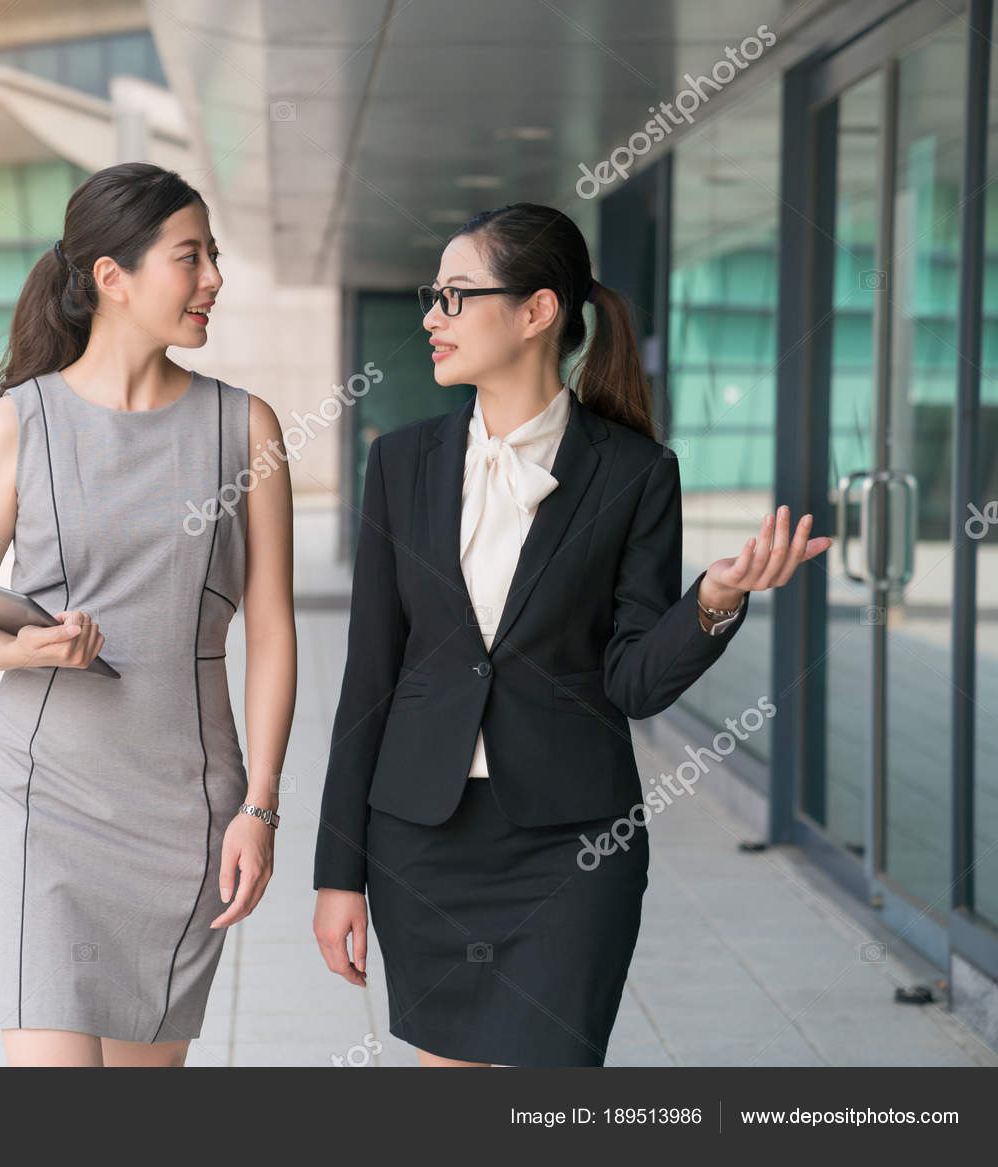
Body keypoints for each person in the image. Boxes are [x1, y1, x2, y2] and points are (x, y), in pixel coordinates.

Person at [310, 202, 830, 1067]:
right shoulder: (399, 464)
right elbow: (369, 678)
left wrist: (714, 599)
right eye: (432, 296)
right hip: (422, 844)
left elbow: (631, 682)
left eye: (454, 295)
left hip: (573, 851)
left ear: (536, 311)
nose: (431, 318)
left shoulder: (634, 473)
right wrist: (339, 871)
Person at [0, 162, 296, 1067]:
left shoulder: (245, 428)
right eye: (190, 257)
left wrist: (261, 806)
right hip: (37, 800)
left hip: (185, 813)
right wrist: (31, 649)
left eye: (214, 256)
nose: (214, 278)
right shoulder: (17, 425)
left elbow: (274, 635)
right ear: (111, 276)